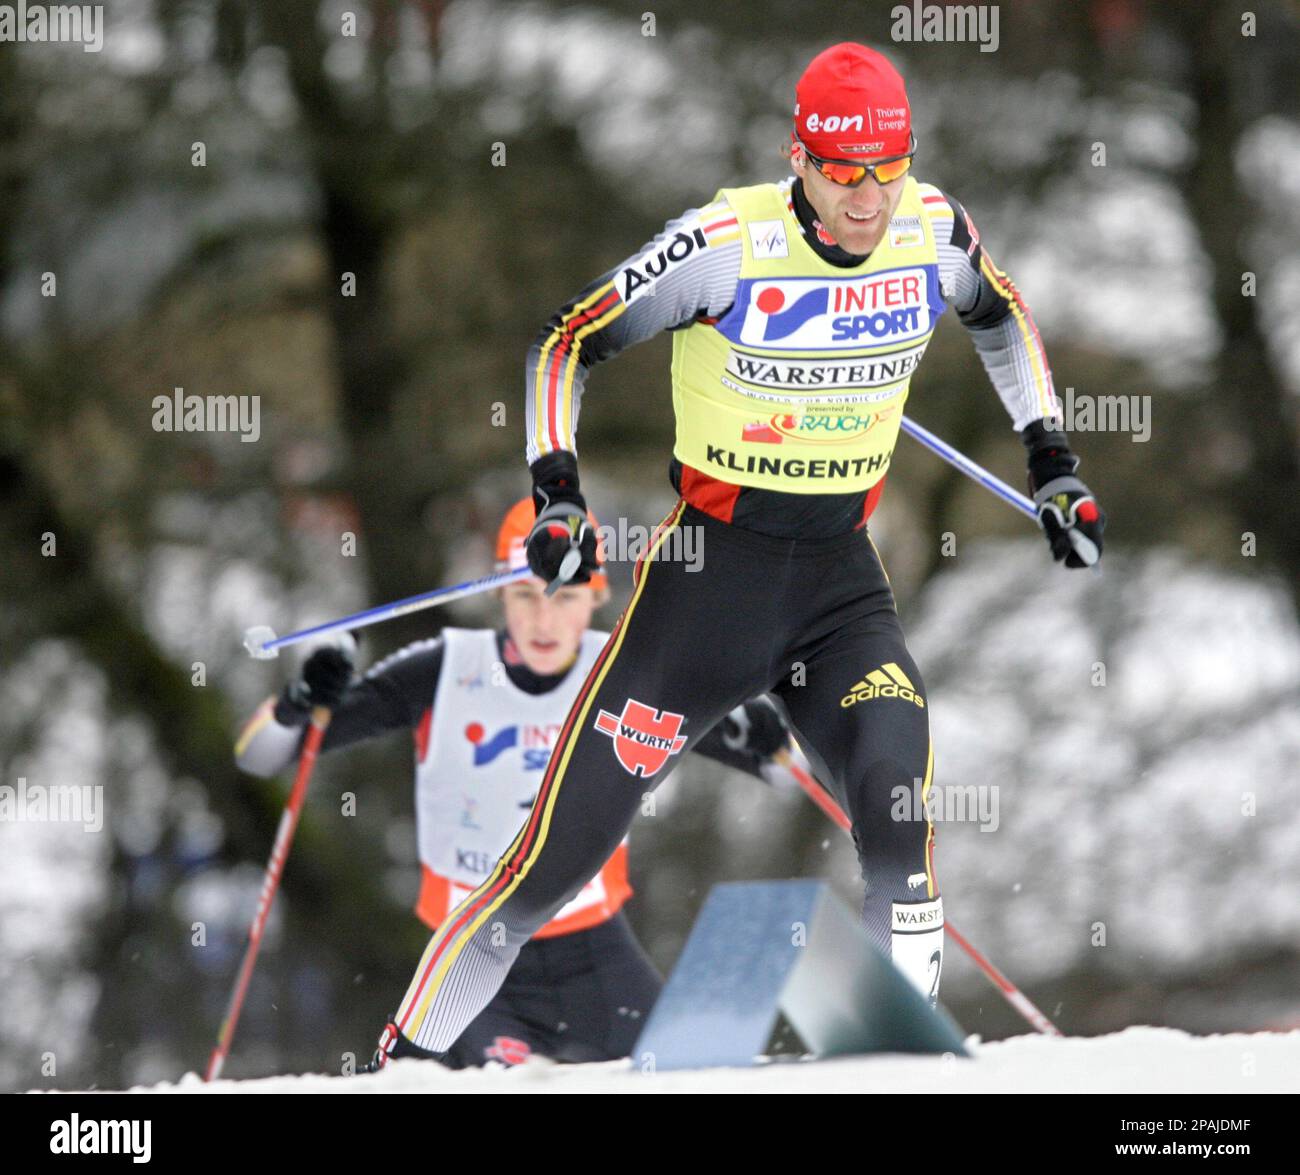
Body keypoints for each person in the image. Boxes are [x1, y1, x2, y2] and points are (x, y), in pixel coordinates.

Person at [379, 41, 1105, 1064]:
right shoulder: (725, 244)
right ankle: (404, 1063)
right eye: (846, 172)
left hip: (839, 590)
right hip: (702, 594)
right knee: (547, 869)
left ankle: (905, 1066)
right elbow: (566, 341)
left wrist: (1052, 460)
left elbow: (1003, 314)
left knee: (898, 811)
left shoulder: (932, 232)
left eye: (887, 170)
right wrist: (557, 494)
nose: (868, 200)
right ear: (798, 158)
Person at [234, 498, 791, 1068]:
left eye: (566, 596)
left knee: (699, 1077)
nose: (544, 620)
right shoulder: (445, 668)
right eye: (526, 594)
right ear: (500, 594)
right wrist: (298, 704)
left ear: (595, 599)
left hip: (597, 956)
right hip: (472, 959)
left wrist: (777, 729)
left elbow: (792, 777)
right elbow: (260, 757)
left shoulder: (630, 672)